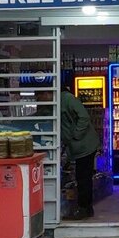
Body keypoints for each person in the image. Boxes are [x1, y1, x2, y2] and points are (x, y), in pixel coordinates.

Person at [37, 88, 100, 220]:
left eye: (39, 97)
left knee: (83, 177)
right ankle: (86, 208)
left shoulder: (67, 99)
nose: (39, 101)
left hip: (85, 146)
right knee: (82, 177)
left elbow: (84, 117)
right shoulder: (52, 105)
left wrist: (76, 135)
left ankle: (84, 208)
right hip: (77, 147)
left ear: (47, 93)